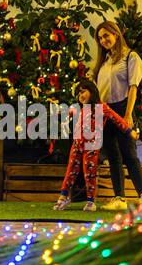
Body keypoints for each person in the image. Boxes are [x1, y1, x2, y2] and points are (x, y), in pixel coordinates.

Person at [54, 78, 137, 212]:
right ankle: (63, 198)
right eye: (78, 93)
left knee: (90, 173)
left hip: (92, 147)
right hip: (77, 145)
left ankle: (91, 201)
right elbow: (69, 112)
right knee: (71, 171)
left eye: (83, 92)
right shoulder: (79, 108)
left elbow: (117, 120)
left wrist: (129, 131)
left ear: (92, 91)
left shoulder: (102, 107)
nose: (80, 96)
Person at [92, 20, 142, 212]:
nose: (104, 40)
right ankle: (119, 197)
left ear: (116, 34)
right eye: (100, 38)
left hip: (122, 107)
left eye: (106, 35)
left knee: (129, 154)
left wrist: (128, 115)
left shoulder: (130, 57)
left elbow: (133, 88)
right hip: (104, 111)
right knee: (113, 156)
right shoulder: (104, 61)